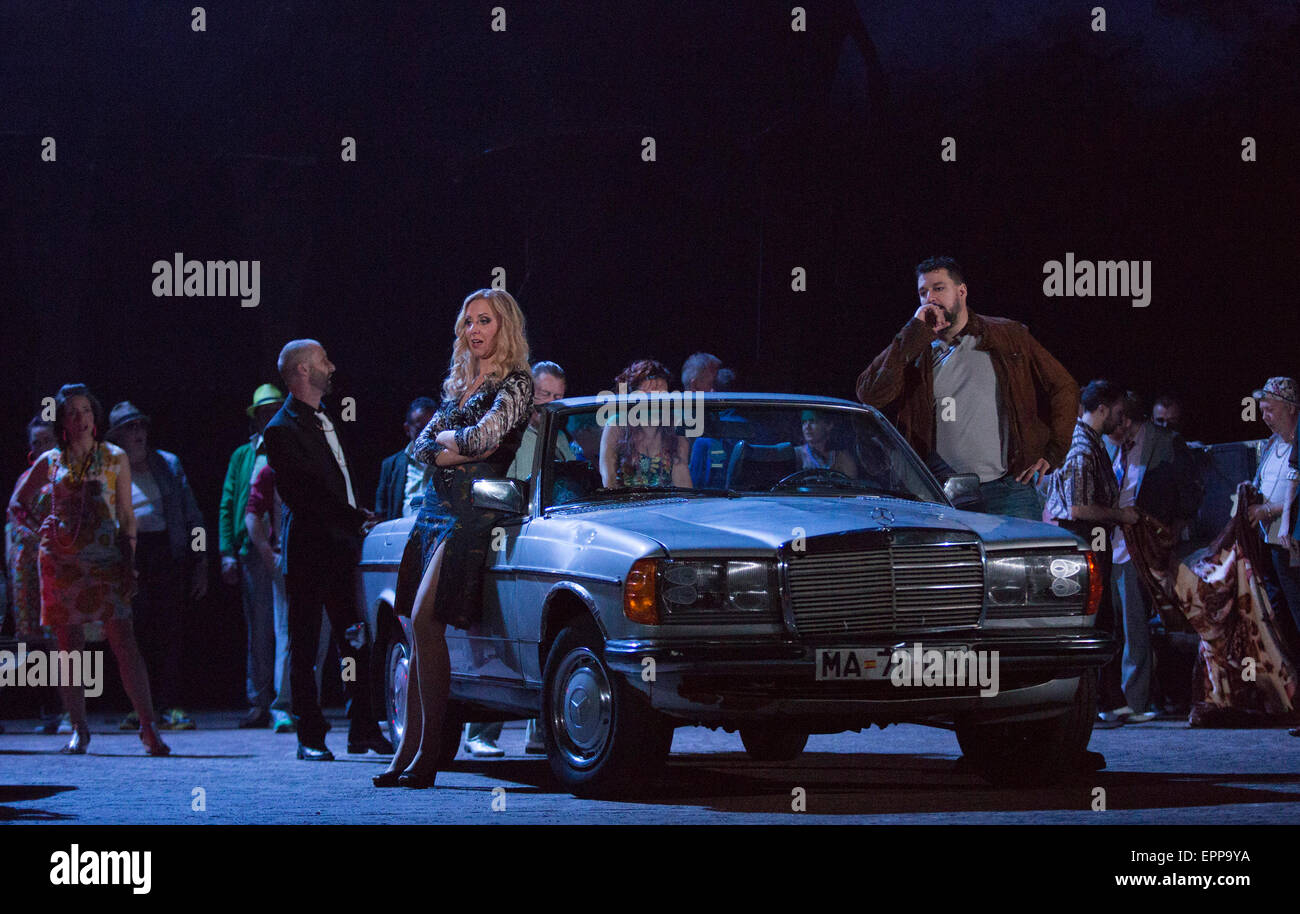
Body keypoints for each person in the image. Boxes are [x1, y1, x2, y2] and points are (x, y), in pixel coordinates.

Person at [374, 290, 533, 788]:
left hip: (472, 512)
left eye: (484, 321)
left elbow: (484, 441)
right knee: (413, 629)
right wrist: (448, 445)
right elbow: (418, 445)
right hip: (433, 510)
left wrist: (448, 445)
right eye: (468, 323)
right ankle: (409, 753)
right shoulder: (461, 382)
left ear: (504, 325)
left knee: (425, 620)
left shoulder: (518, 383)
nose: (474, 331)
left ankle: (427, 756)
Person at [8, 384, 170, 755]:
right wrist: (38, 529)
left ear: (94, 416)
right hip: (60, 562)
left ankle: (148, 728)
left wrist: (129, 558)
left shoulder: (114, 457)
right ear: (63, 420)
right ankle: (79, 728)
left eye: (86, 411)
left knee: (124, 640)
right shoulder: (50, 460)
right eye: (72, 412)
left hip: (105, 560)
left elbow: (127, 513)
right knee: (69, 648)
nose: (80, 419)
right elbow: (18, 503)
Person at [857, 256, 1079, 519]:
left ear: (961, 291)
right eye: (923, 292)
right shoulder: (916, 348)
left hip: (1009, 488)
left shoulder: (1007, 335)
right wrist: (914, 331)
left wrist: (1055, 451)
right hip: (941, 493)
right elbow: (869, 393)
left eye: (939, 288)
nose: (931, 298)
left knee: (1020, 558)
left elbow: (1064, 386)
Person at [263, 341, 392, 761]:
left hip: (341, 546)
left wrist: (357, 515)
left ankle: (362, 727)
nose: (332, 367)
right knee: (304, 644)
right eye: (324, 361)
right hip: (310, 549)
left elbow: (336, 485)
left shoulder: (325, 420)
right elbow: (307, 495)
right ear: (302, 370)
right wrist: (353, 517)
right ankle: (310, 736)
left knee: (354, 639)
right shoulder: (282, 429)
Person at [104, 401, 208, 731]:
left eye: (141, 427)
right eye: (130, 428)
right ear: (117, 437)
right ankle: (140, 706)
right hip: (129, 556)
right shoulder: (109, 468)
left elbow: (194, 518)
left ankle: (171, 704)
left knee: (170, 630)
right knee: (136, 632)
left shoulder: (168, 464)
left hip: (166, 552)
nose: (138, 434)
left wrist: (201, 560)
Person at [1100, 392, 1202, 723]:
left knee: (1135, 629)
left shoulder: (1165, 442)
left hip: (1145, 545)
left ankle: (1135, 702)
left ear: (1126, 420)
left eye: (1113, 418)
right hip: (1112, 544)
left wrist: (1175, 529)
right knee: (1117, 626)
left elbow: (1189, 490)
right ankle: (1119, 698)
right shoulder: (1112, 446)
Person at [1043, 380, 1136, 729]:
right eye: (1118, 412)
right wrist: (1121, 516)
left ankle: (1109, 699)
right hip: (1084, 540)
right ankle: (1100, 701)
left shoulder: (1090, 443)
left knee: (1102, 621)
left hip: (1092, 541)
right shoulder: (1081, 448)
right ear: (1101, 409)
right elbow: (1080, 508)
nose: (1121, 420)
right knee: (1096, 622)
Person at [219, 383, 287, 729]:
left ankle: (283, 702)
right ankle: (258, 700)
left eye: (275, 409)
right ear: (256, 418)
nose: (269, 416)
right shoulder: (243, 456)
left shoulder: (291, 447)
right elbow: (229, 502)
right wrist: (226, 552)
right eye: (264, 411)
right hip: (251, 552)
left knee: (286, 629)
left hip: (285, 550)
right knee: (259, 630)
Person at [1245, 378, 1300, 639]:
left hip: (1290, 542)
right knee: (1278, 611)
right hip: (1269, 541)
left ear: (1290, 408)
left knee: (1295, 606)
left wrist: (1267, 510)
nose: (1264, 416)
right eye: (1262, 410)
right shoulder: (1272, 443)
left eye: (1270, 410)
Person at [598, 359, 692, 489]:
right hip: (625, 504)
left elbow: (681, 475)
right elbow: (608, 479)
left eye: (661, 396)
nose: (656, 402)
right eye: (650, 394)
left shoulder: (675, 425)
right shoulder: (617, 425)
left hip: (667, 505)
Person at [375, 397, 438, 521]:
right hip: (401, 534)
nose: (428, 436)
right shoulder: (391, 465)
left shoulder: (452, 462)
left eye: (433, 429)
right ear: (407, 429)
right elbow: (381, 513)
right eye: (421, 430)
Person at [794, 409, 858, 477]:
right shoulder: (796, 454)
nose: (807, 427)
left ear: (828, 426)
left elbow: (853, 482)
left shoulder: (842, 456)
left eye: (812, 421)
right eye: (804, 422)